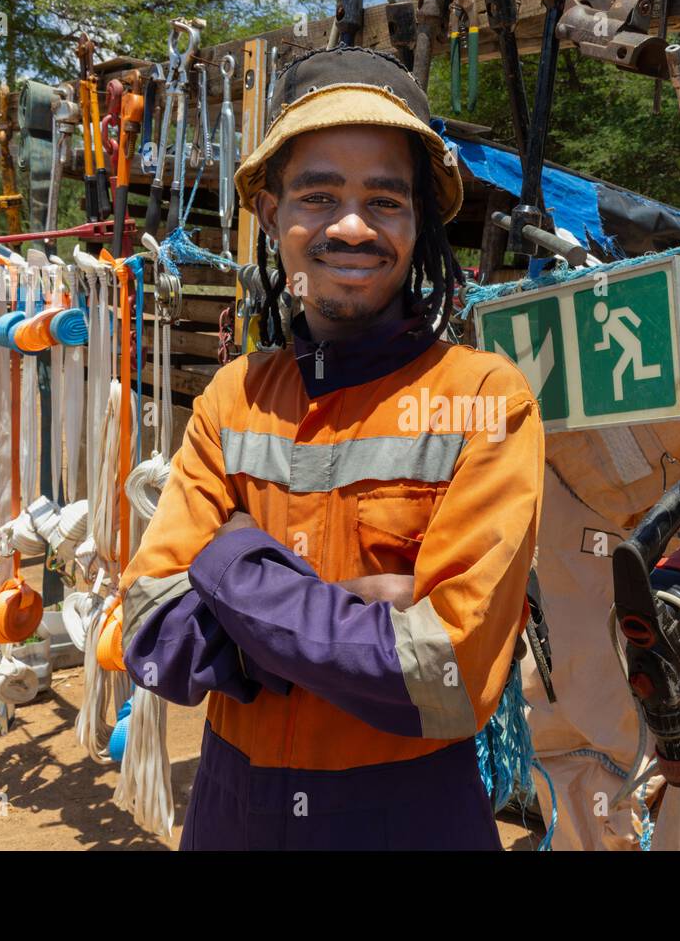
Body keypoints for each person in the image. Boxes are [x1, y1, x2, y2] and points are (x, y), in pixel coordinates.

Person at [111, 46, 544, 850]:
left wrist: (232, 563)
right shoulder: (230, 400)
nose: (352, 226)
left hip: (410, 817)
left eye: (385, 199)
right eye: (319, 195)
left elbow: (441, 673)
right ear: (271, 213)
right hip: (230, 812)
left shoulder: (486, 401)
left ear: (418, 223)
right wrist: (357, 615)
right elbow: (150, 634)